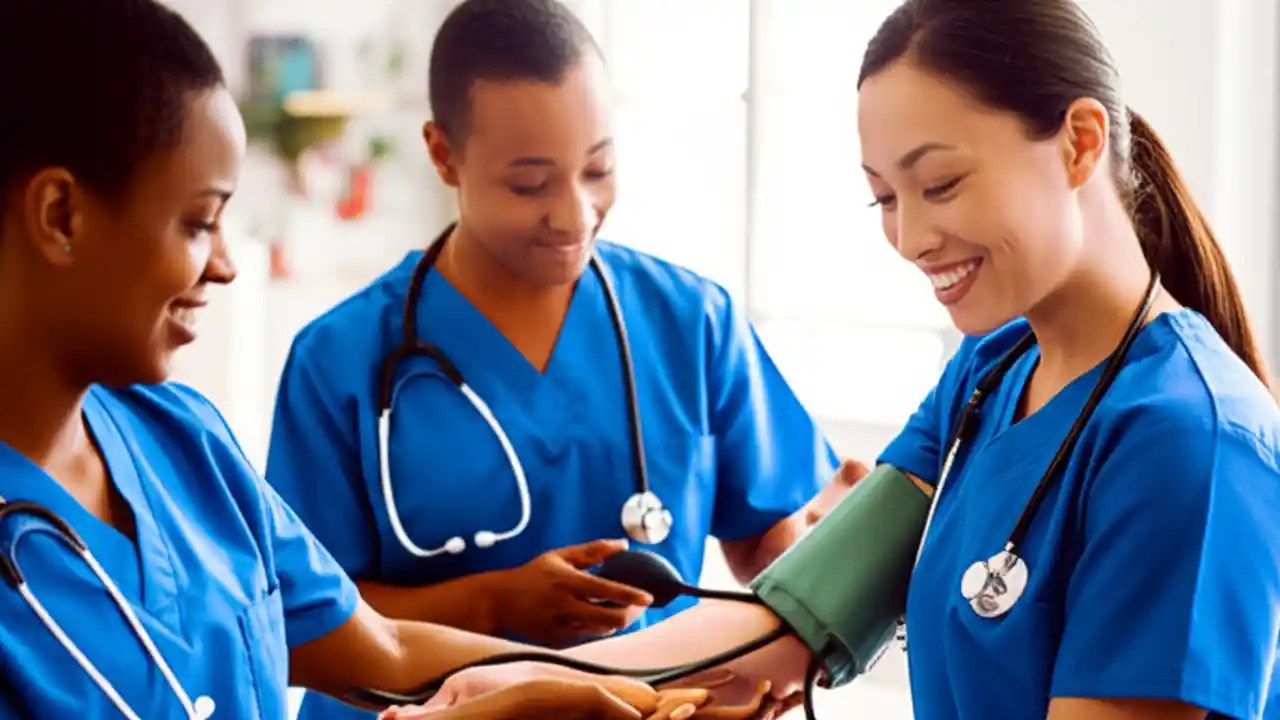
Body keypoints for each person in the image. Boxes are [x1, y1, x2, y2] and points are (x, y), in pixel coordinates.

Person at [409, 0, 1280, 718]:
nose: (908, 237)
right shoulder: (991, 374)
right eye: (884, 198)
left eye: (939, 184)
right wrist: (545, 677)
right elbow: (780, 624)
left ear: (1081, 143)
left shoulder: (1190, 442)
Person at [0, 1, 765, 718]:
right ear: (61, 216)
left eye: (595, 168)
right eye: (200, 222)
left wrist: (632, 693)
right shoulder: (341, 356)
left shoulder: (182, 442)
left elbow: (383, 645)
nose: (227, 265)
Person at [264, 1, 858, 717]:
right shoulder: (341, 360)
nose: (575, 215)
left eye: (597, 169)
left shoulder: (690, 321)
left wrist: (811, 586)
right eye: (529, 184)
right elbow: (302, 616)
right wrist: (493, 600)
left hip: (648, 705)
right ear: (442, 152)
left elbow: (769, 532)